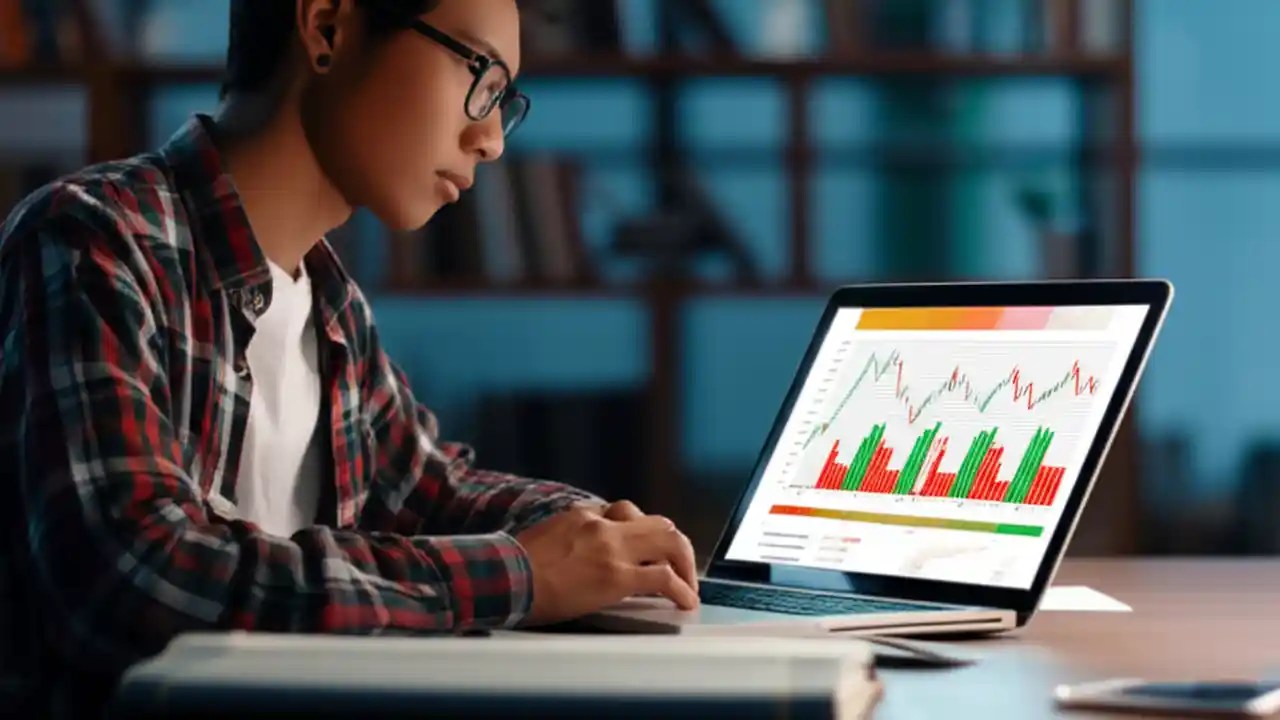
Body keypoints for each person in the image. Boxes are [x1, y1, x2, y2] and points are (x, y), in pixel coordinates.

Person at [0, 0, 699, 716]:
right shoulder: (94, 240)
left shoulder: (330, 305)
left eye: (503, 103)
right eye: (480, 76)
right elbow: (133, 574)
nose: (490, 139)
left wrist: (598, 533)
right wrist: (522, 572)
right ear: (328, 28)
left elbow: (432, 493)